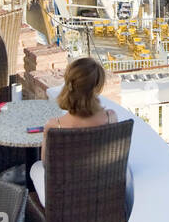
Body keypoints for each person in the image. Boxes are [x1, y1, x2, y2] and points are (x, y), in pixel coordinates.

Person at [31, 57, 117, 201]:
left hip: (64, 198)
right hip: (100, 195)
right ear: (98, 87)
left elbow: (47, 164)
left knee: (36, 167)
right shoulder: (110, 118)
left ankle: (34, 216)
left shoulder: (54, 126)